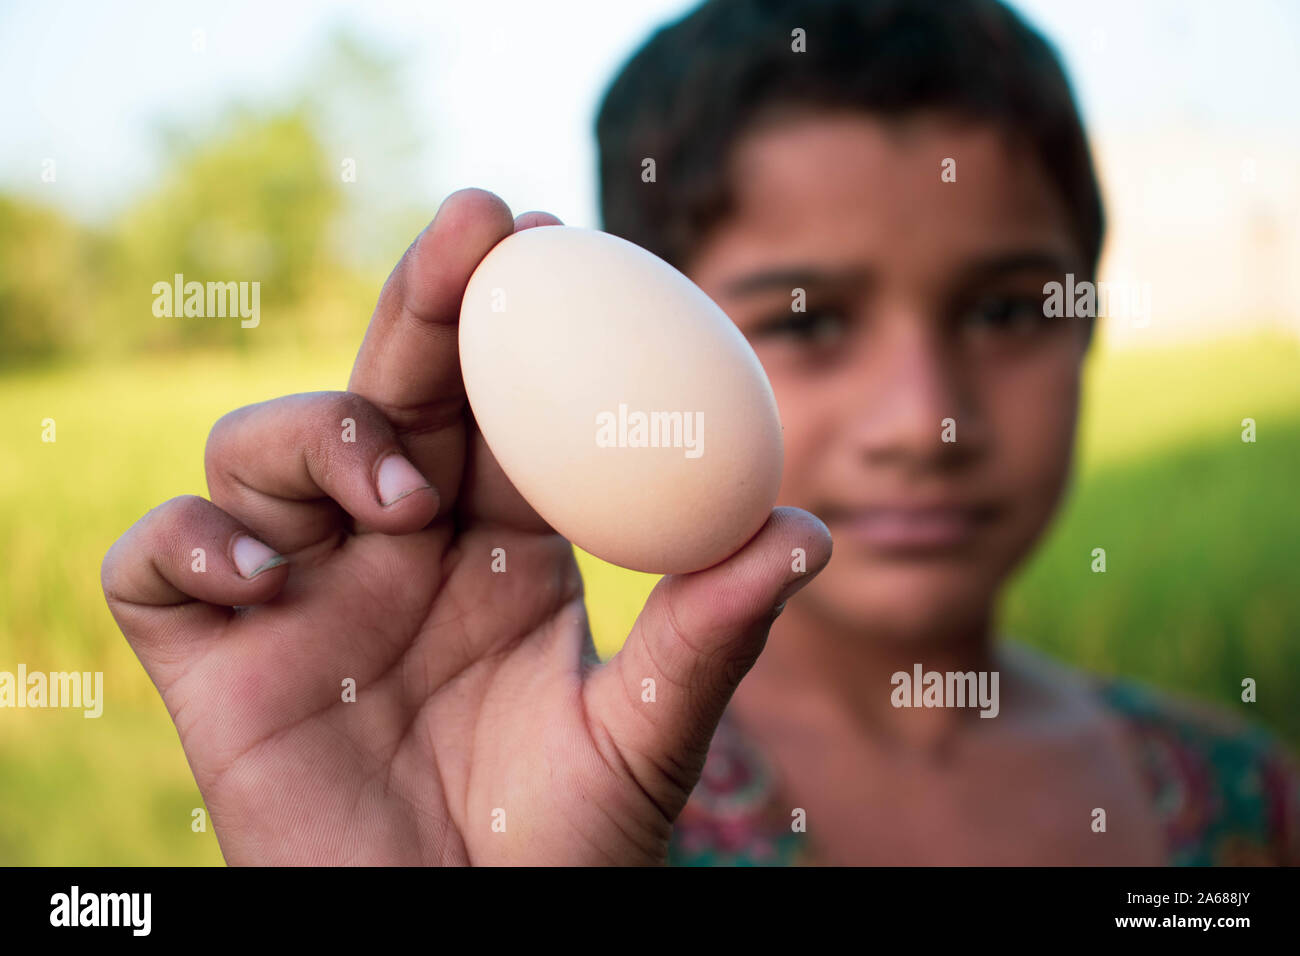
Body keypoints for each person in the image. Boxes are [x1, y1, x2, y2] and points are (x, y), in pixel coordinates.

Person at [101, 0, 1298, 865]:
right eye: (807, 318)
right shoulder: (543, 802)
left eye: (1005, 308)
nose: (922, 416)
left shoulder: (1238, 801)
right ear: (652, 323)